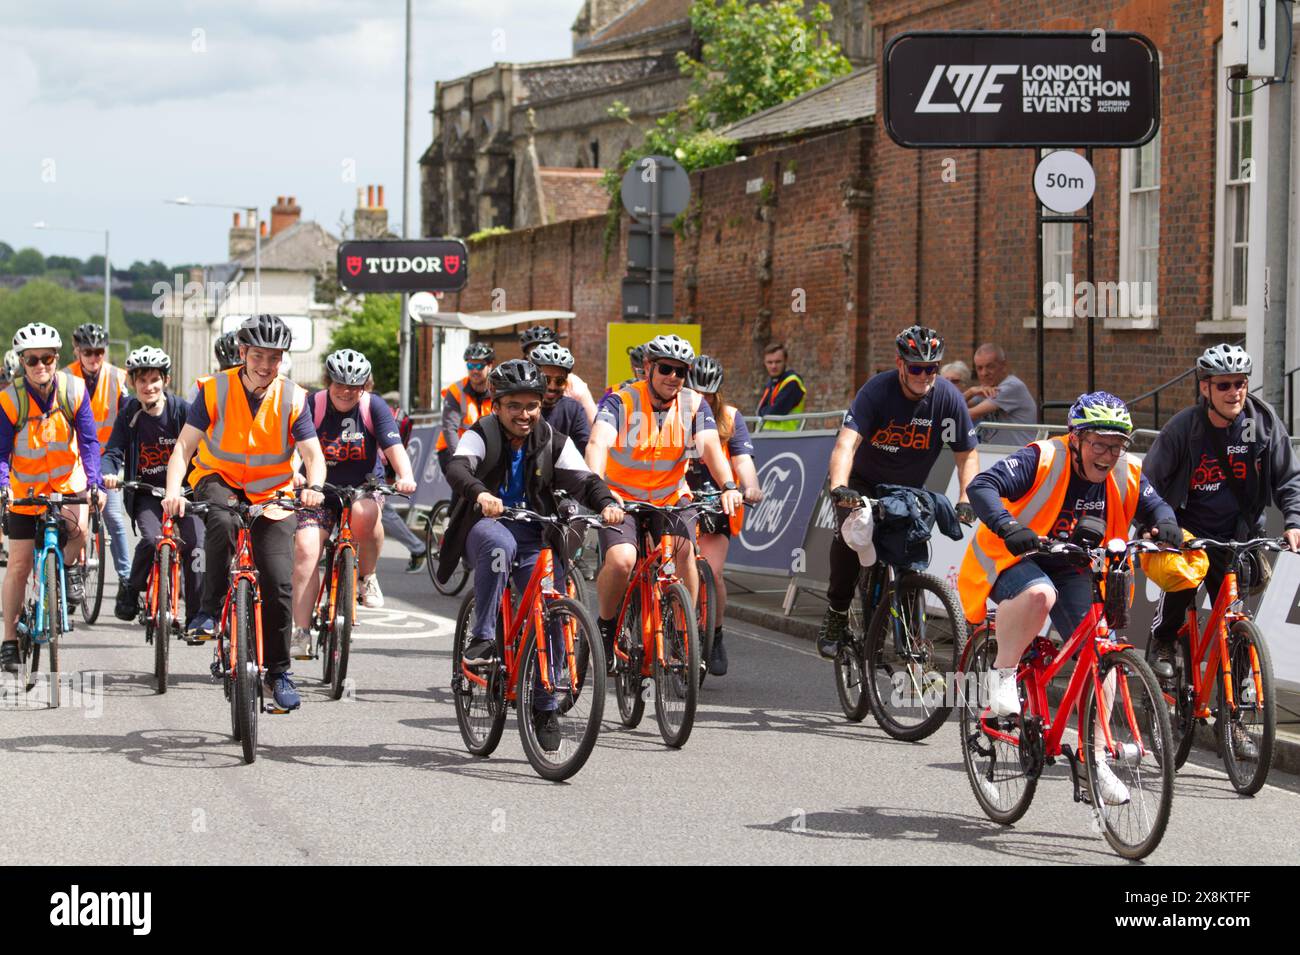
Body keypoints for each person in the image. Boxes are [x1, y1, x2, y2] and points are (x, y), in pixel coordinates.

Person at [959, 391, 1179, 803]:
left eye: (1117, 445)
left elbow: (1157, 507)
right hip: (1012, 555)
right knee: (1039, 594)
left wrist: (1165, 524)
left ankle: (1093, 763)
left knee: (1103, 654)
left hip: (1075, 562)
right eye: (1099, 443)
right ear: (1075, 438)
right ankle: (1003, 676)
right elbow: (982, 485)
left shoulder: (1126, 472)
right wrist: (1009, 526)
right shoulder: (1042, 457)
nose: (1108, 454)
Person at [439, 359, 623, 750]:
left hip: (536, 533)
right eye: (515, 406)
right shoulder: (481, 433)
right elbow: (458, 468)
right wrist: (480, 494)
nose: (524, 414)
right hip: (486, 529)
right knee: (499, 546)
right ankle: (483, 638)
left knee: (552, 610)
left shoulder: (552, 439)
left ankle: (544, 705)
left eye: (532, 406)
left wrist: (606, 501)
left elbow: (584, 478)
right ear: (497, 406)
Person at [162, 314, 326, 712]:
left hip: (273, 493)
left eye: (274, 357)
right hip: (219, 479)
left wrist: (315, 486)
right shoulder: (214, 390)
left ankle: (278, 672)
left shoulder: (293, 397)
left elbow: (313, 455)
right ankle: (208, 608)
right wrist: (172, 493)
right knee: (218, 520)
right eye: (258, 356)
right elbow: (184, 449)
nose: (266, 366)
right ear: (242, 354)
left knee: (278, 581)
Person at [1143, 345, 1300, 737]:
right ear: (1205, 388)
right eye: (1225, 385)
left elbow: (1289, 479)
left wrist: (1294, 521)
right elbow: (1147, 484)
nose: (1235, 393)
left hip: (1237, 537)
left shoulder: (1262, 423)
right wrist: (1158, 525)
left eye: (1241, 384)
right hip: (1189, 534)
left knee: (1235, 623)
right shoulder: (1184, 429)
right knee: (1180, 588)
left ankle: (1235, 714)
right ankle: (1164, 641)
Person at [816, 325, 980, 659]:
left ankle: (909, 636)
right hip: (862, 482)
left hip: (906, 488)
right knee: (853, 535)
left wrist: (966, 498)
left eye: (931, 368)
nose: (924, 376)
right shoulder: (877, 391)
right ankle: (835, 613)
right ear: (900, 364)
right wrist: (839, 488)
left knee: (910, 553)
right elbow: (847, 443)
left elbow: (967, 455)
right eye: (917, 368)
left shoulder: (947, 398)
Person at [585, 334, 743, 664]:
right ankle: (606, 626)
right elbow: (598, 444)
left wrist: (729, 484)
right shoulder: (621, 400)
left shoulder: (694, 404)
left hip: (670, 495)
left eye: (680, 372)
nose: (673, 377)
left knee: (684, 552)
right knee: (622, 560)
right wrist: (598, 491)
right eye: (666, 369)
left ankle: (684, 633)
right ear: (648, 368)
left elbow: (711, 446)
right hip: (621, 498)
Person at [289, 349, 417, 656]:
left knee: (364, 513)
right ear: (328, 382)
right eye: (339, 384)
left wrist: (405, 474)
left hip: (362, 486)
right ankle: (301, 632)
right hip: (317, 489)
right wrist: (294, 473)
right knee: (306, 548)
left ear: (366, 386)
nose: (346, 391)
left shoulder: (374, 407)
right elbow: (294, 445)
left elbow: (393, 445)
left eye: (355, 385)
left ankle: (366, 576)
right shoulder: (313, 404)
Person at [0, 323, 103, 673]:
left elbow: (89, 441)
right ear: (22, 362)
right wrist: (3, 486)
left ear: (57, 358)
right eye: (32, 360)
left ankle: (71, 570)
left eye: (46, 358)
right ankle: (10, 640)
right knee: (18, 564)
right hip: (24, 491)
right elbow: (1, 452)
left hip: (65, 483)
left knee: (79, 528)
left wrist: (94, 483)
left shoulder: (73, 390)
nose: (40, 365)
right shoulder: (10, 398)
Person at [102, 346, 205, 628]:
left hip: (186, 493)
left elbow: (205, 448)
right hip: (146, 493)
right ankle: (131, 589)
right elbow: (113, 452)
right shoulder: (129, 415)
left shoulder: (182, 411)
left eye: (154, 380)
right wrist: (108, 474)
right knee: (151, 540)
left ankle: (197, 615)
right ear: (133, 383)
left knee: (196, 545)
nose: (148, 386)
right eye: (142, 380)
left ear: (165, 381)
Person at [684, 355, 764, 676]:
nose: (701, 400)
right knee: (676, 568)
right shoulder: (671, 412)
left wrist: (751, 485)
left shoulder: (729, 418)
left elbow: (743, 459)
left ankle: (715, 635)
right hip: (677, 500)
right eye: (695, 393)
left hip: (718, 500)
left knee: (712, 573)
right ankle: (677, 632)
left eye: (708, 395)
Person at [66, 323, 132, 588]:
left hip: (106, 461)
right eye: (88, 352)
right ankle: (64, 574)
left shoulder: (118, 378)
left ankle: (127, 582)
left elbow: (130, 417)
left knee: (114, 518)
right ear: (77, 352)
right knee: (69, 522)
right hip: (73, 460)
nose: (94, 358)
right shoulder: (65, 378)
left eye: (99, 352)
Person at [372, 386, 428, 573]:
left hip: (376, 467)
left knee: (384, 512)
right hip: (375, 467)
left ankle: (417, 548)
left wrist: (404, 476)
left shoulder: (373, 406)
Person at [436, 342, 494, 475]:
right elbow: (450, 428)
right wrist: (460, 458)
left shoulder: (497, 390)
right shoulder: (456, 391)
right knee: (463, 483)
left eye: (479, 365)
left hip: (482, 448)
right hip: (452, 449)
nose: (474, 370)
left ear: (490, 366)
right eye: (470, 365)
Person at [519, 325, 597, 423]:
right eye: (533, 353)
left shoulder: (575, 384)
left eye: (560, 381)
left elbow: (593, 420)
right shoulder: (518, 379)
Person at [964, 343, 1037, 447]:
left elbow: (969, 414)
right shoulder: (987, 389)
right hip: (996, 455)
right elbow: (955, 405)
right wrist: (971, 391)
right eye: (979, 368)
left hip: (1018, 457)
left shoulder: (1012, 387)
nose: (984, 373)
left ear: (1003, 365)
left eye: (990, 366)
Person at [528, 341, 591, 455]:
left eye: (559, 381)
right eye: (546, 379)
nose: (552, 386)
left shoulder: (574, 410)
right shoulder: (522, 407)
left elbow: (584, 448)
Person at [755, 343, 806, 431]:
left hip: (786, 438)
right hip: (767, 437)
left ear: (785, 361)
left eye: (778, 362)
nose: (773, 366)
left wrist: (762, 412)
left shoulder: (792, 382)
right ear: (764, 363)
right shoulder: (773, 384)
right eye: (769, 362)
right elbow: (761, 411)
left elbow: (775, 412)